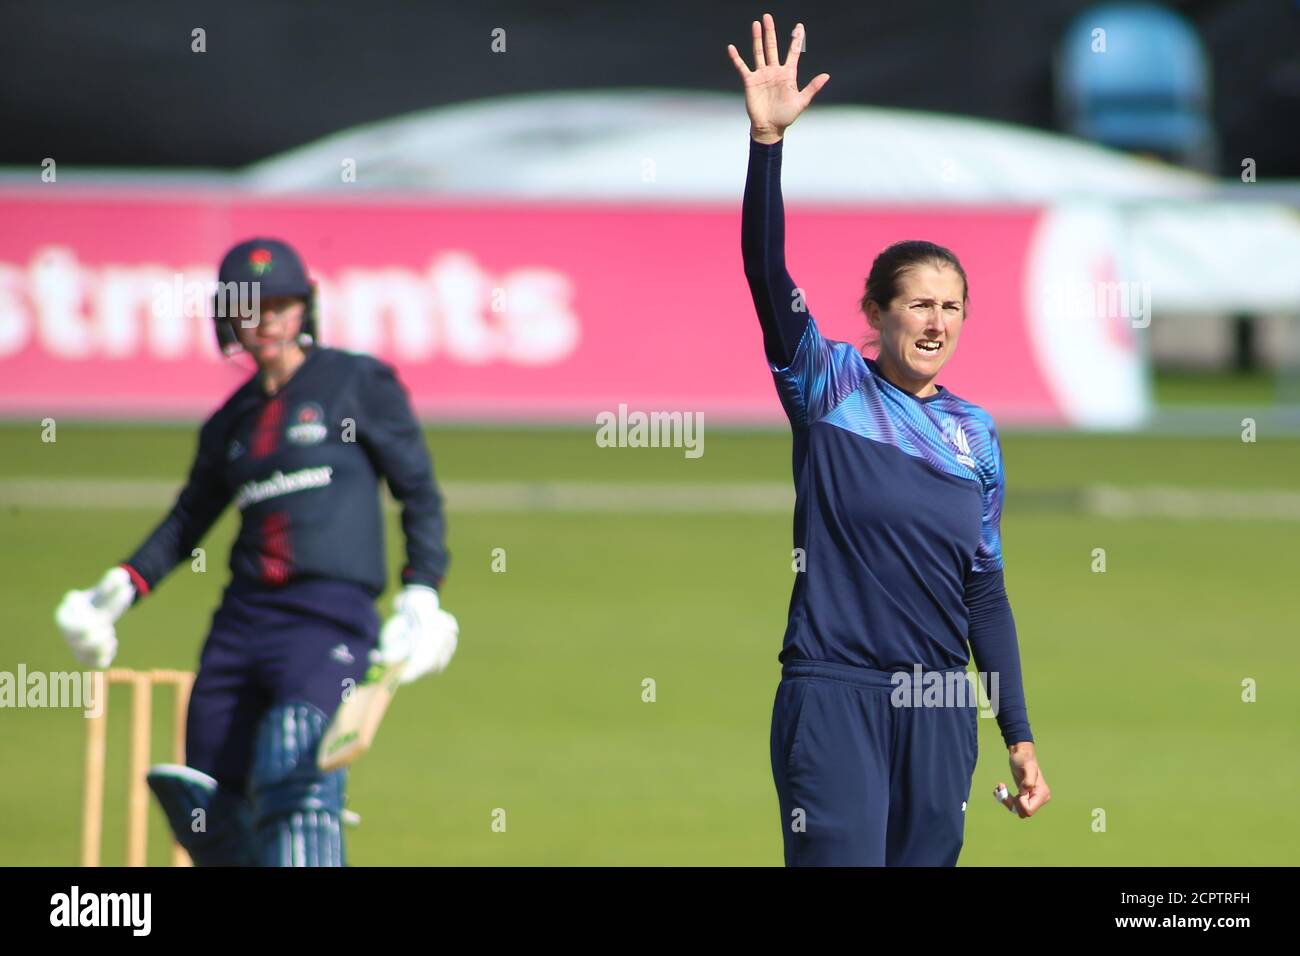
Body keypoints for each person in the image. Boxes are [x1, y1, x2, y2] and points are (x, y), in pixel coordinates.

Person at [728, 14, 1050, 866]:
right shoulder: (829, 384)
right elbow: (766, 273)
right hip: (836, 692)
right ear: (875, 313)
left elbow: (985, 593)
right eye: (917, 302)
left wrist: (1017, 732)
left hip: (942, 707)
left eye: (951, 306)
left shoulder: (976, 436)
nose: (935, 320)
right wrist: (767, 143)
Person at [54, 237, 459, 866]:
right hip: (241, 627)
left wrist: (422, 591)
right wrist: (117, 590)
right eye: (251, 306)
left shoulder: (357, 383)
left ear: (305, 309)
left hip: (328, 616)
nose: (266, 319)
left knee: (294, 767)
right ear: (228, 317)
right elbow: (188, 520)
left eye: (281, 304)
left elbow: (419, 492)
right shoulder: (231, 422)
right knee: (205, 801)